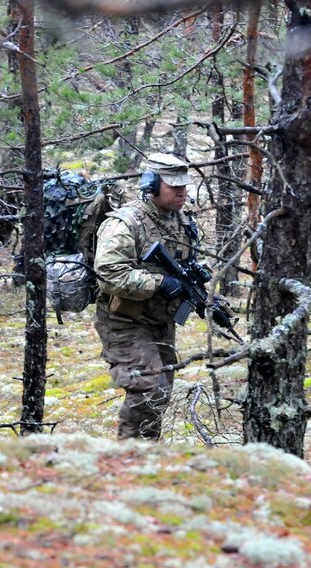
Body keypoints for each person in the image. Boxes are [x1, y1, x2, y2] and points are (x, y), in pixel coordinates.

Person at [93, 152, 200, 440]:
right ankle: (130, 459)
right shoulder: (125, 224)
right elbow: (109, 273)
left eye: (184, 185)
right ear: (151, 184)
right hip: (124, 321)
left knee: (160, 391)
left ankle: (146, 454)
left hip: (160, 321)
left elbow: (188, 263)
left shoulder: (182, 222)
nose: (181, 192)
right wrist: (159, 283)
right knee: (150, 388)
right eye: (173, 186)